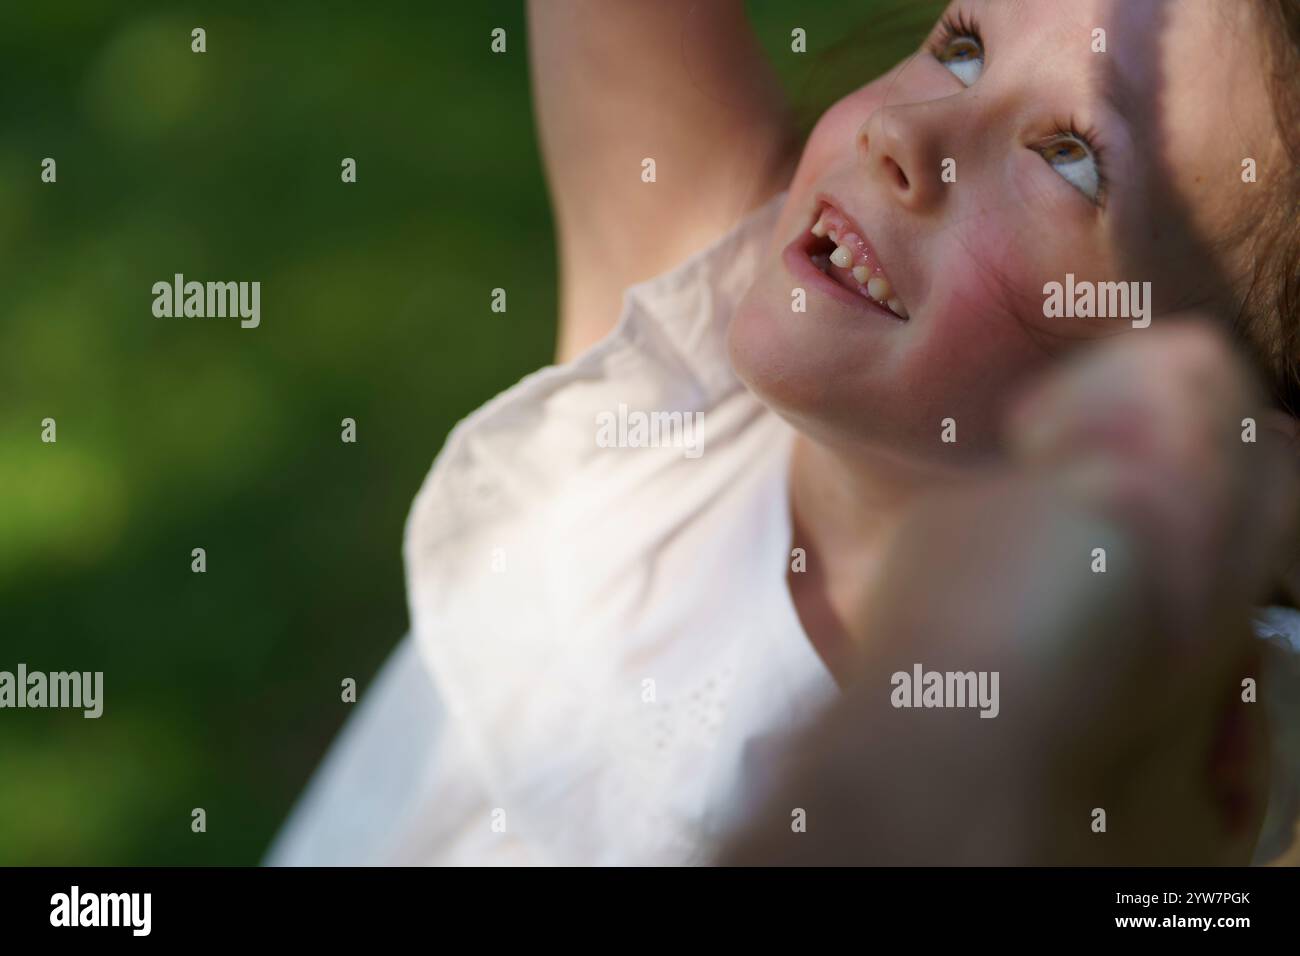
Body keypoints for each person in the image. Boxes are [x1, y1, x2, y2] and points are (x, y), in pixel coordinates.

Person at [267, 0, 1300, 865]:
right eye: (961, 46)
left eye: (1070, 160)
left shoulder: (1128, 760)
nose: (904, 136)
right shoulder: (686, 349)